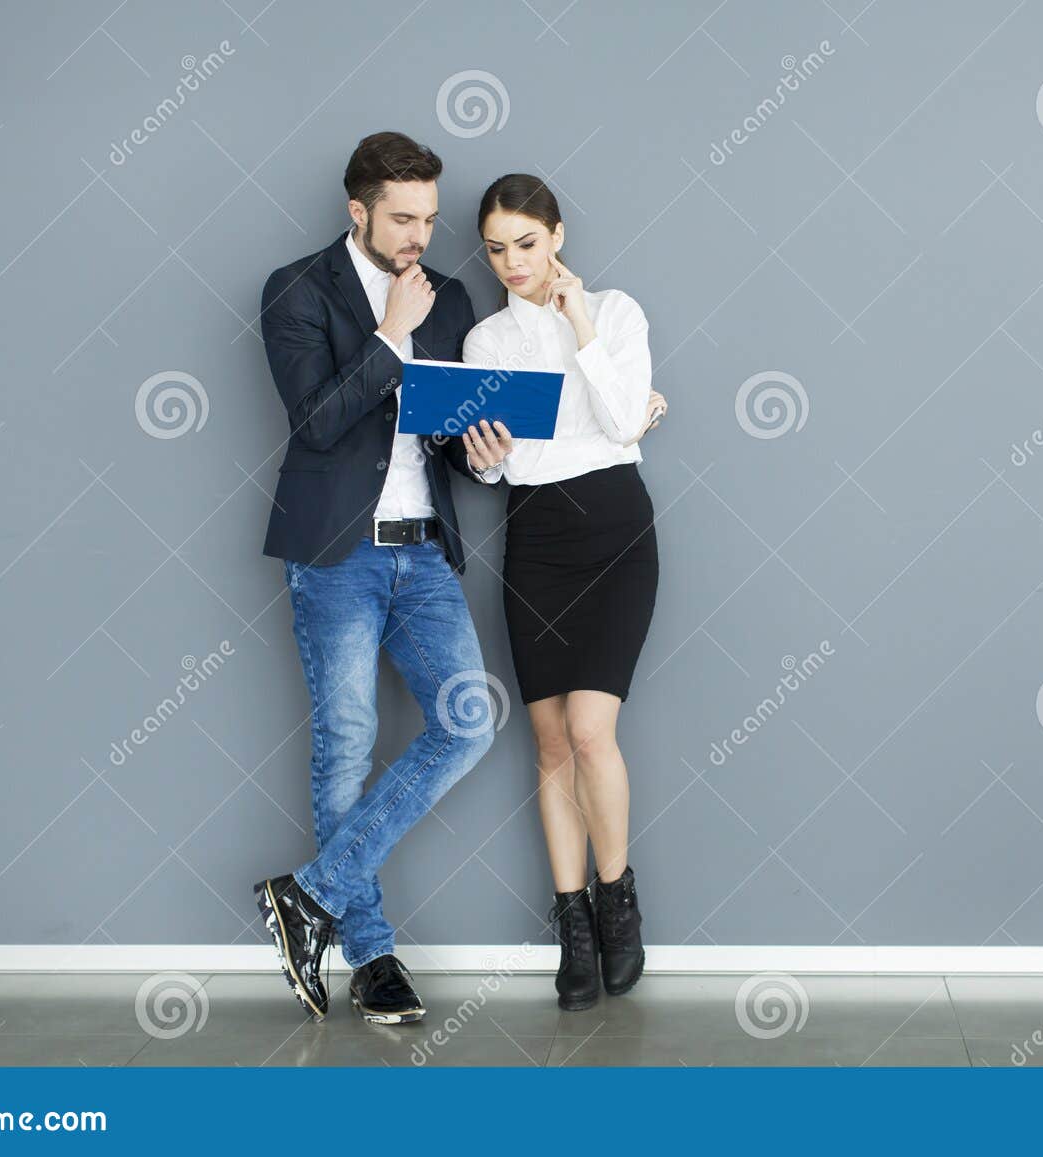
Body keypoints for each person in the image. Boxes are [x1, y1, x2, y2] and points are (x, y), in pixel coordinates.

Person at [251, 131, 514, 1024]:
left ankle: (309, 894)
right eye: (403, 218)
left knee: (470, 721)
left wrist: (482, 453)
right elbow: (319, 422)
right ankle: (370, 957)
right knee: (346, 746)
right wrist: (391, 333)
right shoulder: (296, 288)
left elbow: (445, 429)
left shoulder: (452, 296)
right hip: (337, 551)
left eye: (430, 219)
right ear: (357, 210)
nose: (420, 237)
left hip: (424, 547)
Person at [459, 173, 667, 1010]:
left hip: (616, 530)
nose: (513, 262)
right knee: (548, 745)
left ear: (557, 236)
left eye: (528, 243)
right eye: (497, 248)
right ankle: (571, 923)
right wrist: (479, 451)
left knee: (590, 732)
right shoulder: (484, 342)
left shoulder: (616, 312)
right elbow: (495, 467)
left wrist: (578, 319)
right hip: (535, 535)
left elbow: (622, 422)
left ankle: (620, 905)